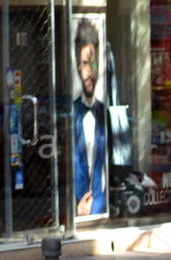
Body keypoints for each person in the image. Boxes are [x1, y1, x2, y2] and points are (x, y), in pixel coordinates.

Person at [72, 19, 107, 217]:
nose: (89, 72)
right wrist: (78, 204)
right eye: (85, 63)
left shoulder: (104, 112)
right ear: (78, 65)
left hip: (100, 202)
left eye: (93, 63)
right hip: (77, 203)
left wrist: (95, 205)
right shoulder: (73, 112)